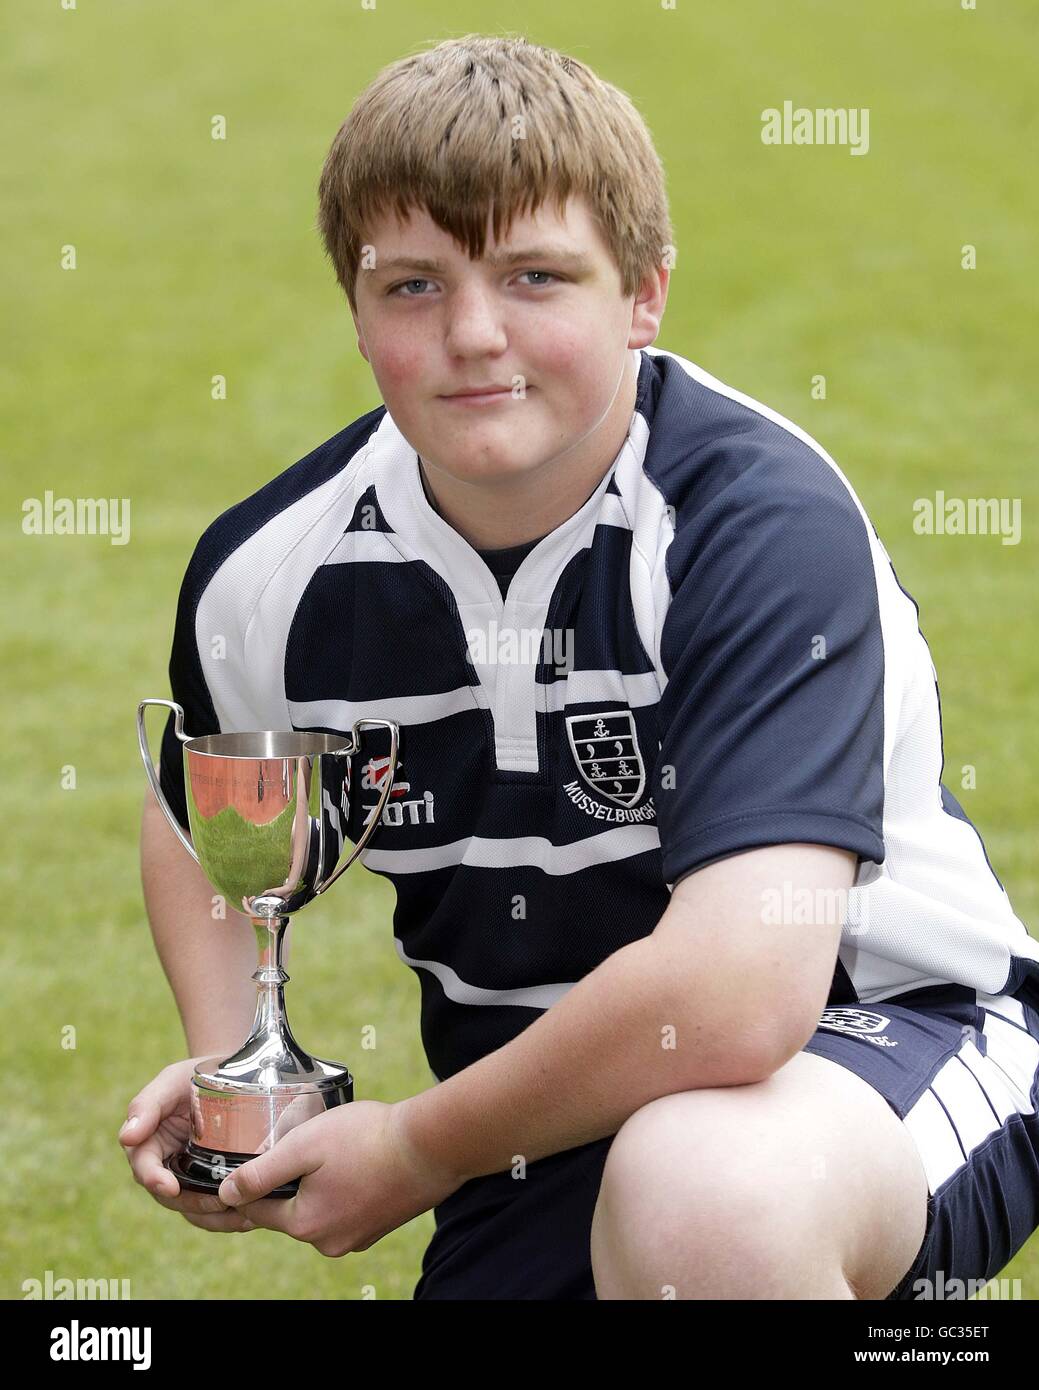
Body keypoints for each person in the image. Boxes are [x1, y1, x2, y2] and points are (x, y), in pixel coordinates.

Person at [120, 32, 1039, 1300]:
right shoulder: (272, 568)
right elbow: (199, 815)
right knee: (657, 1190)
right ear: (353, 304)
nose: (475, 335)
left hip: (875, 1044)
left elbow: (734, 995)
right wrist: (240, 1071)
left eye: (537, 276)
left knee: (703, 1201)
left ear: (644, 294)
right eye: (412, 287)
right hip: (541, 1119)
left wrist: (410, 1145)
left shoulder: (754, 525)